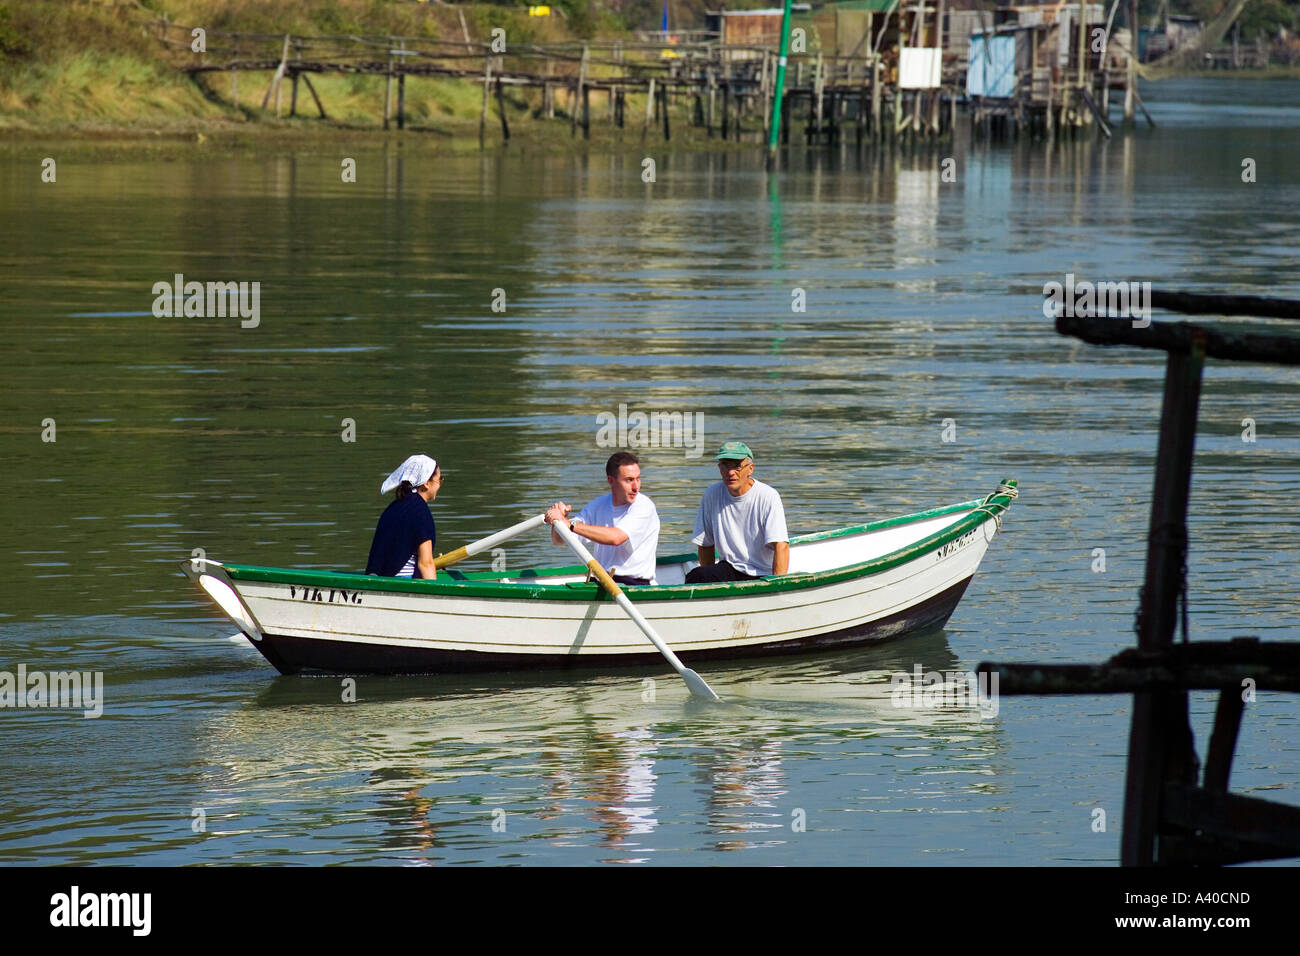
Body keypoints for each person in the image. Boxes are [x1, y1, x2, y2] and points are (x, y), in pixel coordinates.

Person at [544, 451, 660, 586]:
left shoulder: (644, 506)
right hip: (602, 581)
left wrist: (569, 524)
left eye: (638, 479)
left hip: (634, 584)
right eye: (629, 480)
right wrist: (558, 520)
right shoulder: (598, 505)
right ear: (611, 480)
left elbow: (615, 538)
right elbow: (559, 540)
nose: (636, 487)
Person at [686, 441, 789, 583]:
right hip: (728, 568)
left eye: (737, 466)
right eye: (725, 466)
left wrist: (777, 585)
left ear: (750, 468)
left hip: (761, 572)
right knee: (697, 575)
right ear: (719, 468)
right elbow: (705, 545)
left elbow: (781, 546)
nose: (730, 472)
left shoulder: (768, 496)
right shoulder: (711, 494)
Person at [366, 454, 442, 579]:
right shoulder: (421, 511)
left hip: (378, 578)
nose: (440, 483)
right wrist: (438, 594)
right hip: (403, 582)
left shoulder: (393, 507)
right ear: (427, 483)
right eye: (440, 479)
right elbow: (426, 563)